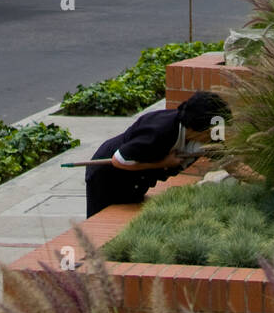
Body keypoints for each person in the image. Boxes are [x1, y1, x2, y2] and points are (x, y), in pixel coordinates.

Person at [85, 91, 232, 218]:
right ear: (198, 129)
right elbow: (119, 160)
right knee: (101, 224)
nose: (217, 135)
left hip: (137, 178)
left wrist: (253, 179)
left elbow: (230, 162)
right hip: (108, 175)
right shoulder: (160, 131)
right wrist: (163, 163)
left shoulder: (208, 136)